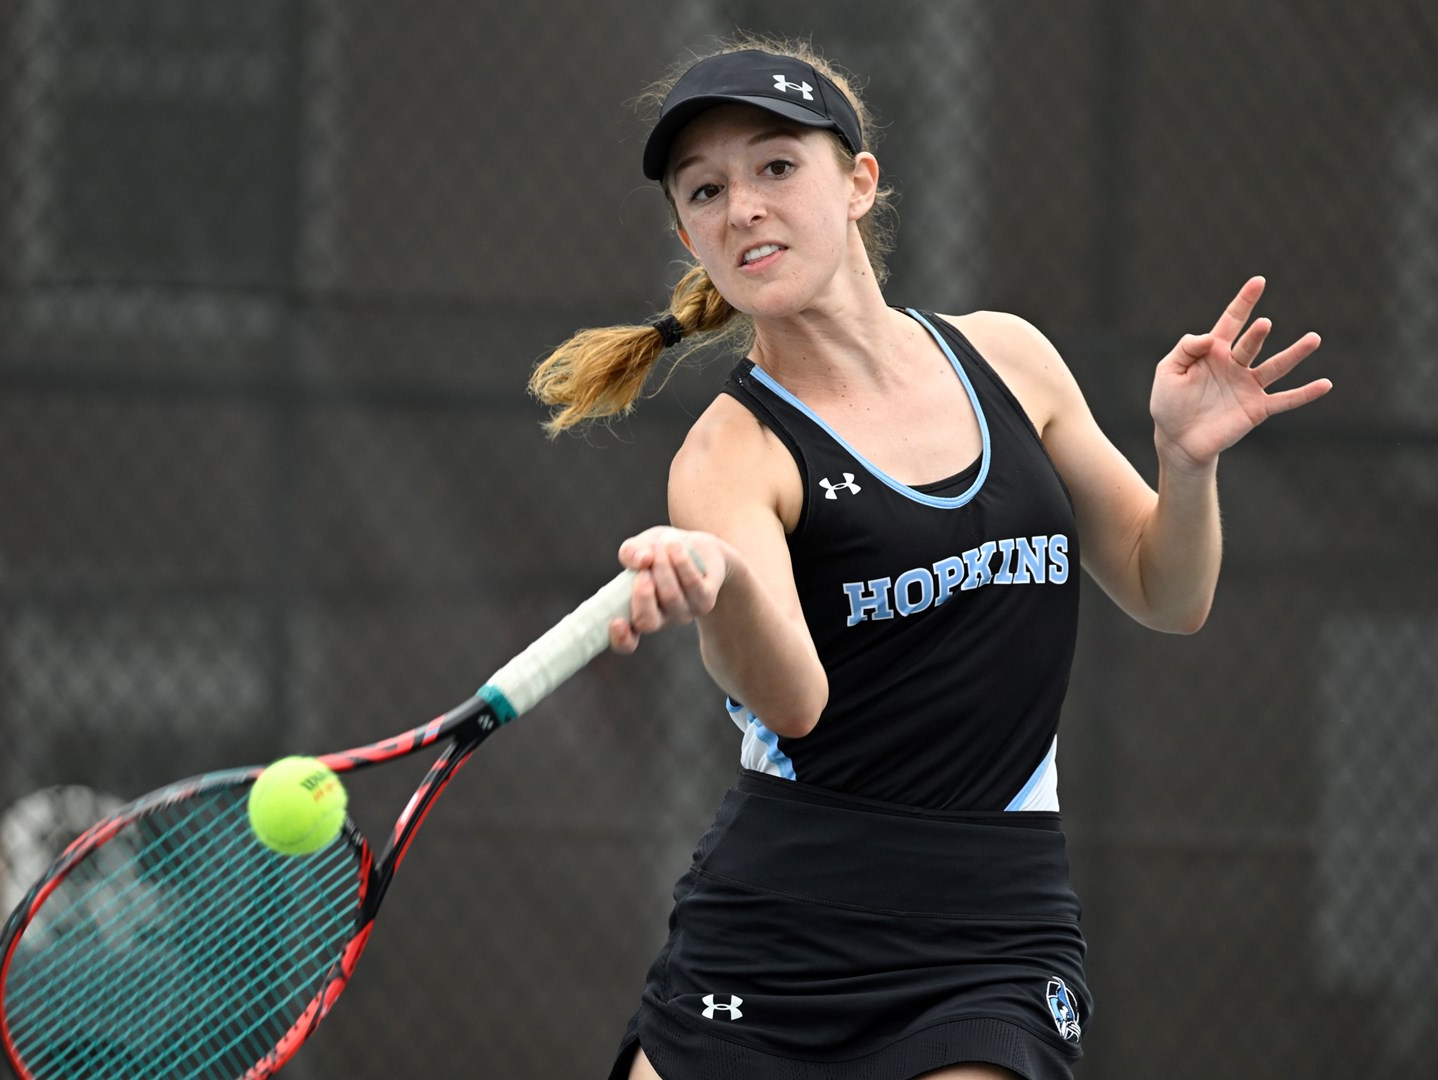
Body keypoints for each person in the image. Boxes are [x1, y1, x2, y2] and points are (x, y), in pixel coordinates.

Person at [529, 36, 1330, 1080]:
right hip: (779, 930)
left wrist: (1183, 465)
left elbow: (1164, 589)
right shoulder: (730, 455)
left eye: (776, 167)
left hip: (989, 927)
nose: (744, 207)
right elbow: (791, 698)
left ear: (857, 182)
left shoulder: (1008, 357)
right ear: (686, 234)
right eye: (706, 190)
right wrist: (720, 590)